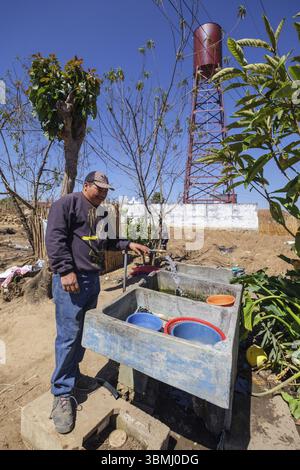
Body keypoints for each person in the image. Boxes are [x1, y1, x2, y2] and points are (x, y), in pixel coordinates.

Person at [45, 171, 149, 434]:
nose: (103, 193)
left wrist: (128, 243)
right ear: (86, 185)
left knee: (83, 334)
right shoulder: (66, 204)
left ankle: (74, 375)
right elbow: (55, 238)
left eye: (106, 189)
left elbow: (107, 241)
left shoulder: (102, 213)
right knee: (68, 336)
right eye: (98, 188)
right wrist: (65, 270)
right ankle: (61, 394)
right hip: (71, 280)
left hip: (92, 280)